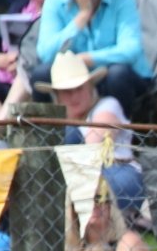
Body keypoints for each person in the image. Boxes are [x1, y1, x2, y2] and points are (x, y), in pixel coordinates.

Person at [33, 0, 151, 110]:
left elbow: (131, 50)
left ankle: (122, 135)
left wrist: (87, 59)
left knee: (117, 74)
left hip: (117, 79)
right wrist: (82, 16)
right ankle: (51, 135)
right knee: (41, 74)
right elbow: (46, 53)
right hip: (72, 79)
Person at [44, 51, 144, 216]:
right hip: (73, 177)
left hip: (114, 171)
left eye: (79, 88)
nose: (74, 96)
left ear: (90, 87)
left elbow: (95, 145)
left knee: (71, 135)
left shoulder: (107, 105)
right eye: (67, 91)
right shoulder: (56, 123)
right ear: (57, 96)